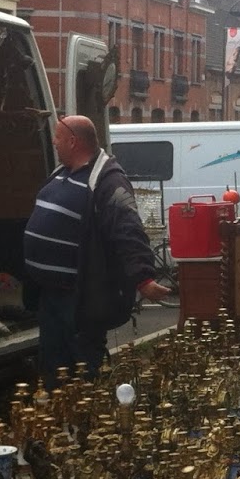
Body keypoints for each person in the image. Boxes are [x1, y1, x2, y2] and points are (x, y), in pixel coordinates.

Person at [24, 115, 168, 382]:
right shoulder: (62, 172)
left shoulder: (109, 180)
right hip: (50, 296)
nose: (53, 143)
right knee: (54, 369)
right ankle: (61, 417)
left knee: (84, 367)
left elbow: (127, 228)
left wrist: (143, 277)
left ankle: (90, 418)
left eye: (57, 137)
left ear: (73, 141)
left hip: (81, 298)